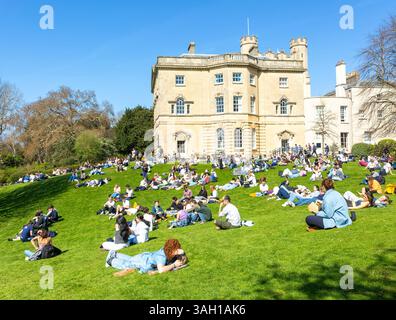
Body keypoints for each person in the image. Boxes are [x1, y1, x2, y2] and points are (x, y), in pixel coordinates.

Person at [105, 239, 188, 276]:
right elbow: (161, 270)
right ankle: (110, 260)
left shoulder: (168, 251)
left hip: (144, 257)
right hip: (143, 262)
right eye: (176, 250)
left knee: (130, 259)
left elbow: (183, 256)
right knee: (127, 264)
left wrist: (182, 253)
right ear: (171, 250)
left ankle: (114, 253)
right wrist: (174, 265)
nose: (178, 251)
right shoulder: (161, 256)